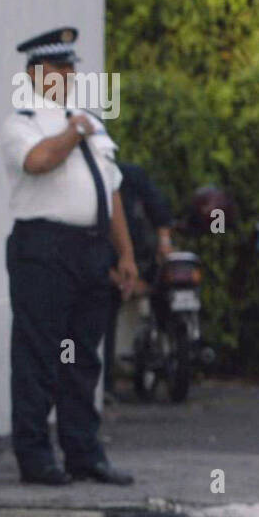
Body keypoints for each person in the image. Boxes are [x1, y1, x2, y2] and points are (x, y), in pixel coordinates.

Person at [0, 27, 138, 486]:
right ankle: (36, 456)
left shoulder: (89, 121)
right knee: (39, 356)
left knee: (83, 358)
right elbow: (38, 162)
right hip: (43, 248)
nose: (67, 75)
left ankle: (84, 452)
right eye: (57, 68)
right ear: (35, 74)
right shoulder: (22, 121)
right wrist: (72, 132)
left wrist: (126, 254)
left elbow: (111, 189)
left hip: (92, 248)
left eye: (70, 67)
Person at [104, 160, 174, 398]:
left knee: (167, 292)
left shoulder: (132, 176)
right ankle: (105, 385)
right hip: (107, 262)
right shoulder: (93, 188)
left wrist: (164, 243)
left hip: (141, 258)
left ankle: (169, 350)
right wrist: (114, 277)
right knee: (105, 310)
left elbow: (160, 210)